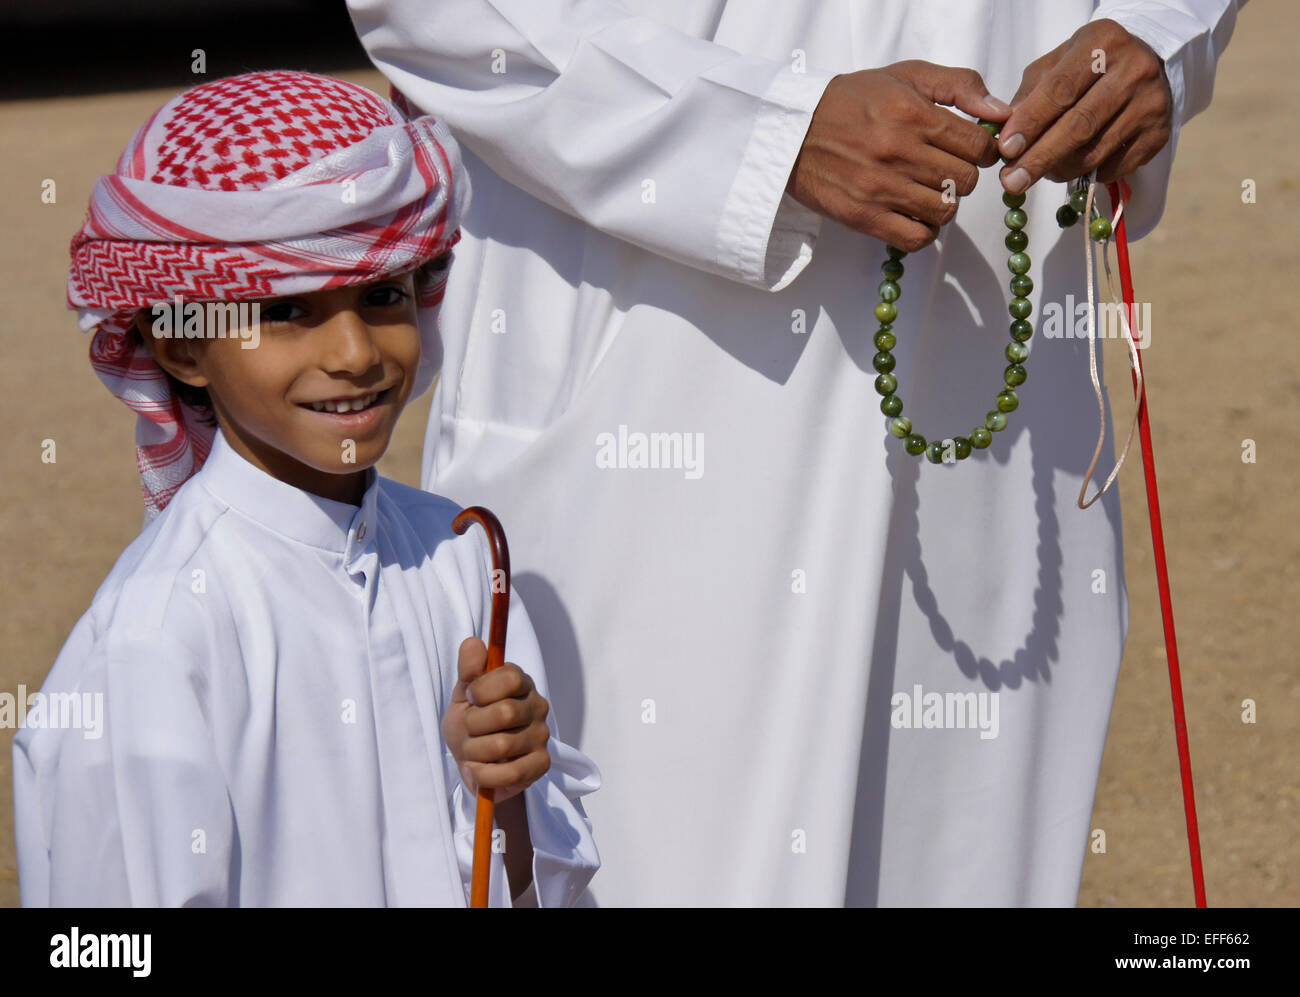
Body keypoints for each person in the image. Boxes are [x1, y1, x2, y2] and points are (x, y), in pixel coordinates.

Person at [347, 1, 1243, 904]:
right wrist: (767, 131)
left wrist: (1158, 36)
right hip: (655, 365)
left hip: (995, 384)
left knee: (959, 843)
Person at [11, 70, 599, 908]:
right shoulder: (155, 640)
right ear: (181, 345)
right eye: (288, 310)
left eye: (383, 294)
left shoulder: (460, 557)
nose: (357, 350)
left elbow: (535, 887)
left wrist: (505, 798)